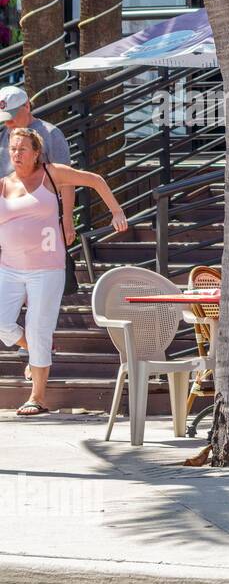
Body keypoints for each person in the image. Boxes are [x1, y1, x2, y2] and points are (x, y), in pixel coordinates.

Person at [0, 127, 127, 416]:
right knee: (3, 323)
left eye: (22, 149)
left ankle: (38, 397)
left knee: (38, 327)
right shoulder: (4, 184)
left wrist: (116, 211)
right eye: (12, 149)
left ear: (36, 153)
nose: (16, 154)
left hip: (46, 268)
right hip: (9, 267)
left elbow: (94, 180)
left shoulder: (52, 174)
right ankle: (34, 348)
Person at [0, 86, 74, 248]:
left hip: (42, 221)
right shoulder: (3, 135)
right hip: (8, 223)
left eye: (11, 117)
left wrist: (67, 220)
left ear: (26, 106)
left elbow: (67, 181)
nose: (7, 122)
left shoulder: (50, 134)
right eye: (4, 118)